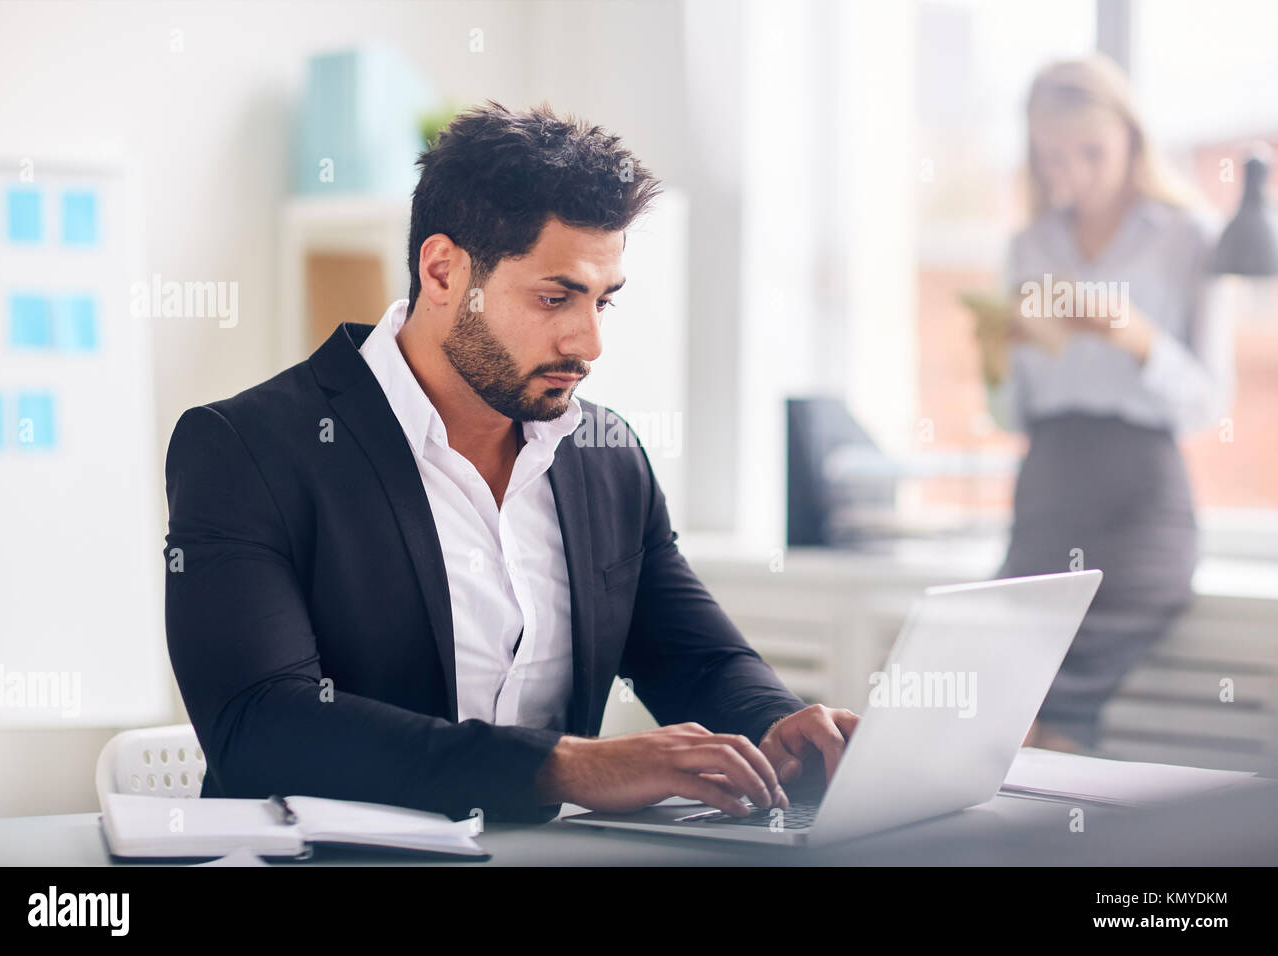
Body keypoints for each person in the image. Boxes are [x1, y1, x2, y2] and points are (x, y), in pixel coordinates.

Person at [164, 100, 860, 824]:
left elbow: (698, 660)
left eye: (603, 302)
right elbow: (260, 728)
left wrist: (785, 725)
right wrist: (562, 765)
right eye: (555, 297)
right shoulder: (246, 449)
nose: (587, 344)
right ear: (442, 273)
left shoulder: (604, 454)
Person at [982, 56, 1235, 752]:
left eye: (1092, 150)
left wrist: (1136, 337)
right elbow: (1010, 418)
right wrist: (996, 354)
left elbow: (1209, 403)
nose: (1076, 173)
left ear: (1130, 136)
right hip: (1046, 495)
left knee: (1038, 713)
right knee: (986, 694)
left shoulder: (1190, 237)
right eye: (1054, 156)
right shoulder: (1027, 245)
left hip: (1140, 508)